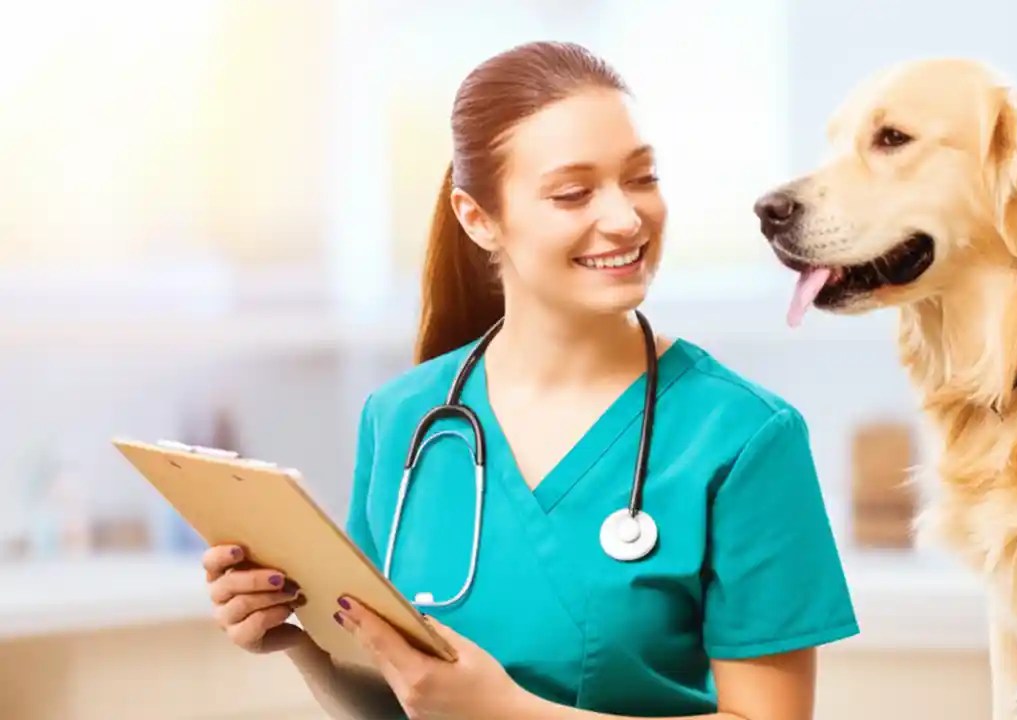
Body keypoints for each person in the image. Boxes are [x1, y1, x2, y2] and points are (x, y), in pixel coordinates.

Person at [201, 40, 858, 719]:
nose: (626, 218)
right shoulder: (401, 417)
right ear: (478, 218)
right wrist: (297, 638)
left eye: (642, 178)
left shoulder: (745, 438)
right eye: (574, 193)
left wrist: (508, 711)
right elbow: (394, 697)